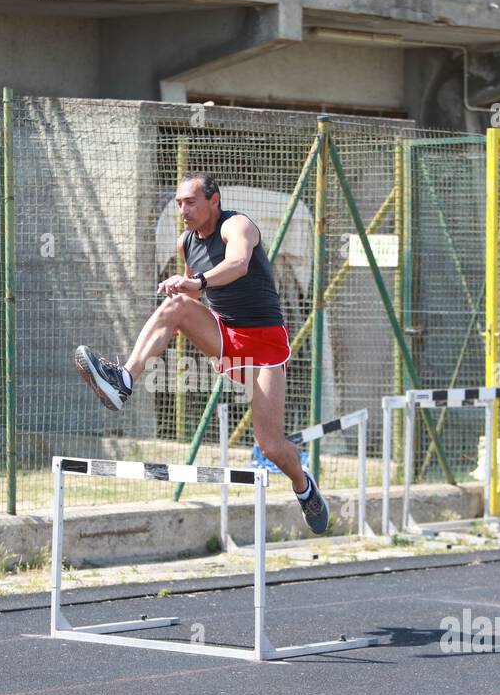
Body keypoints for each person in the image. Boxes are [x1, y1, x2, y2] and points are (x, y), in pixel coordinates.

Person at [74, 171, 329, 534]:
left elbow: (238, 265)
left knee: (271, 446)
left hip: (264, 345)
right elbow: (192, 297)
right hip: (226, 337)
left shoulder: (237, 226)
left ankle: (304, 488)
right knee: (174, 307)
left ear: (214, 201)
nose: (183, 210)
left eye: (191, 202)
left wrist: (197, 282)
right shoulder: (186, 243)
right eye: (179, 203)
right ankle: (123, 381)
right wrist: (182, 292)